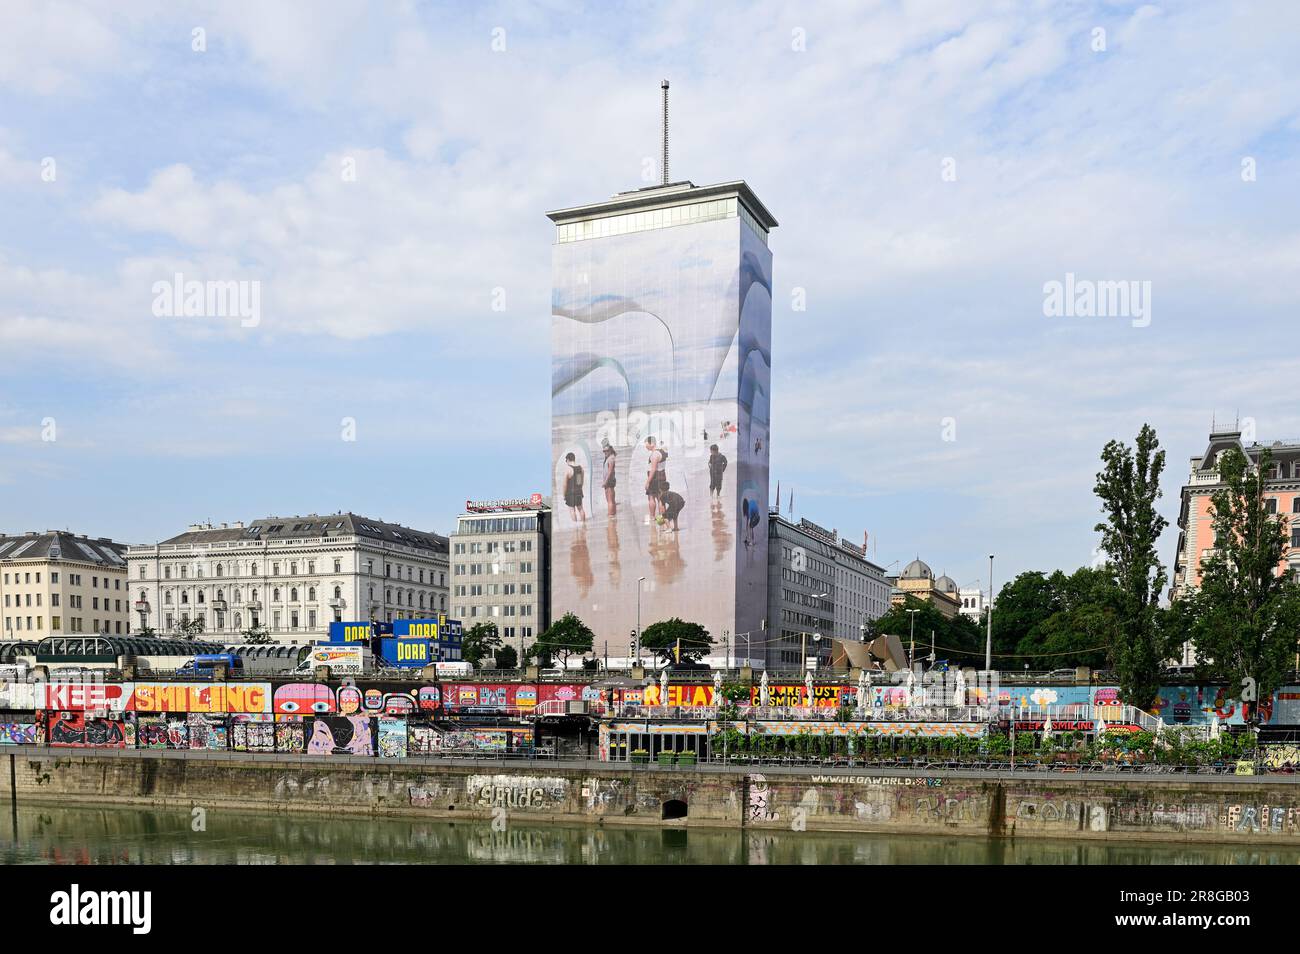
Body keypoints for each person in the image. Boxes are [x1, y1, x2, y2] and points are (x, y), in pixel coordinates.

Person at [644, 436, 668, 521]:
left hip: (655, 478)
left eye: (646, 444)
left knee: (651, 497)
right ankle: (662, 518)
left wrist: (648, 482)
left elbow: (653, 469)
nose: (645, 446)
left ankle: (652, 517)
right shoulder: (662, 451)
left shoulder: (654, 454)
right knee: (660, 499)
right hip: (662, 475)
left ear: (652, 444)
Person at [563, 452, 586, 522]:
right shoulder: (580, 468)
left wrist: (564, 495)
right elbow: (580, 482)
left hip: (571, 493)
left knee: (572, 510)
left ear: (568, 459)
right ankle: (584, 524)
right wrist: (579, 490)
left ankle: (575, 525)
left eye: (566, 461)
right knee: (581, 509)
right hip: (579, 491)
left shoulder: (568, 469)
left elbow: (565, 485)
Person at [601, 440, 618, 517]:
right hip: (609, 480)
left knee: (610, 500)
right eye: (604, 451)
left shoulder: (611, 458)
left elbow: (610, 471)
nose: (605, 452)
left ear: (610, 450)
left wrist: (605, 482)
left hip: (609, 481)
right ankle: (613, 513)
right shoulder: (608, 458)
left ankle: (611, 515)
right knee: (611, 500)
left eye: (607, 451)